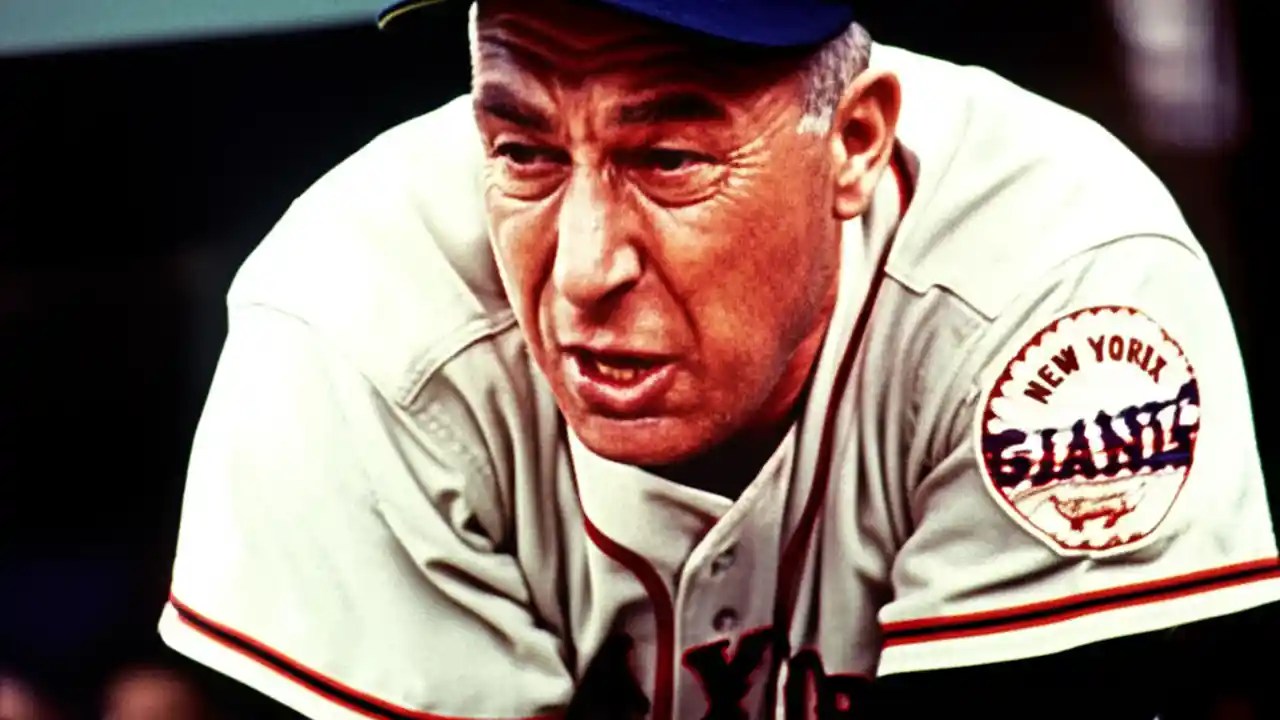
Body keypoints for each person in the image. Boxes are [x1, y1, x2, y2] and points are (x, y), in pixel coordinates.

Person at [157, 0, 1280, 717]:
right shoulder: (347, 310)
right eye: (524, 149)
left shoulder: (1057, 270)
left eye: (670, 155)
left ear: (852, 142)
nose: (584, 267)